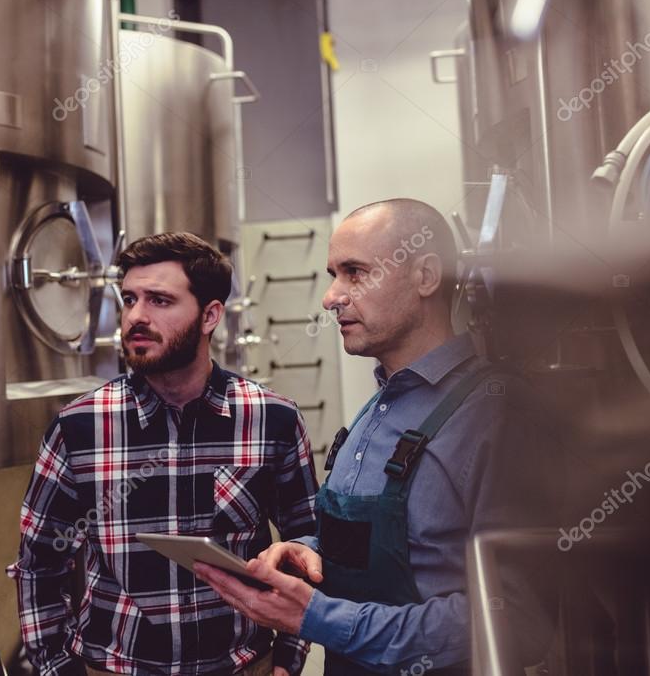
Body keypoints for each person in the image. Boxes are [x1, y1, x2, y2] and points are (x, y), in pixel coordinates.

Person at [194, 200, 559, 674]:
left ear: (426, 277)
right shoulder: (380, 405)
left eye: (355, 273)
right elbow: (384, 551)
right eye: (332, 274)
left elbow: (519, 619)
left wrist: (319, 617)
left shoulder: (497, 413)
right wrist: (309, 552)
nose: (330, 297)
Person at [8, 232, 320, 676]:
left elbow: (306, 547)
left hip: (243, 666)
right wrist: (56, 667)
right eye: (130, 299)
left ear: (210, 315)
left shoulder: (273, 420)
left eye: (159, 300)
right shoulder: (79, 428)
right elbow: (38, 564)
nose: (135, 315)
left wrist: (289, 658)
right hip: (114, 667)